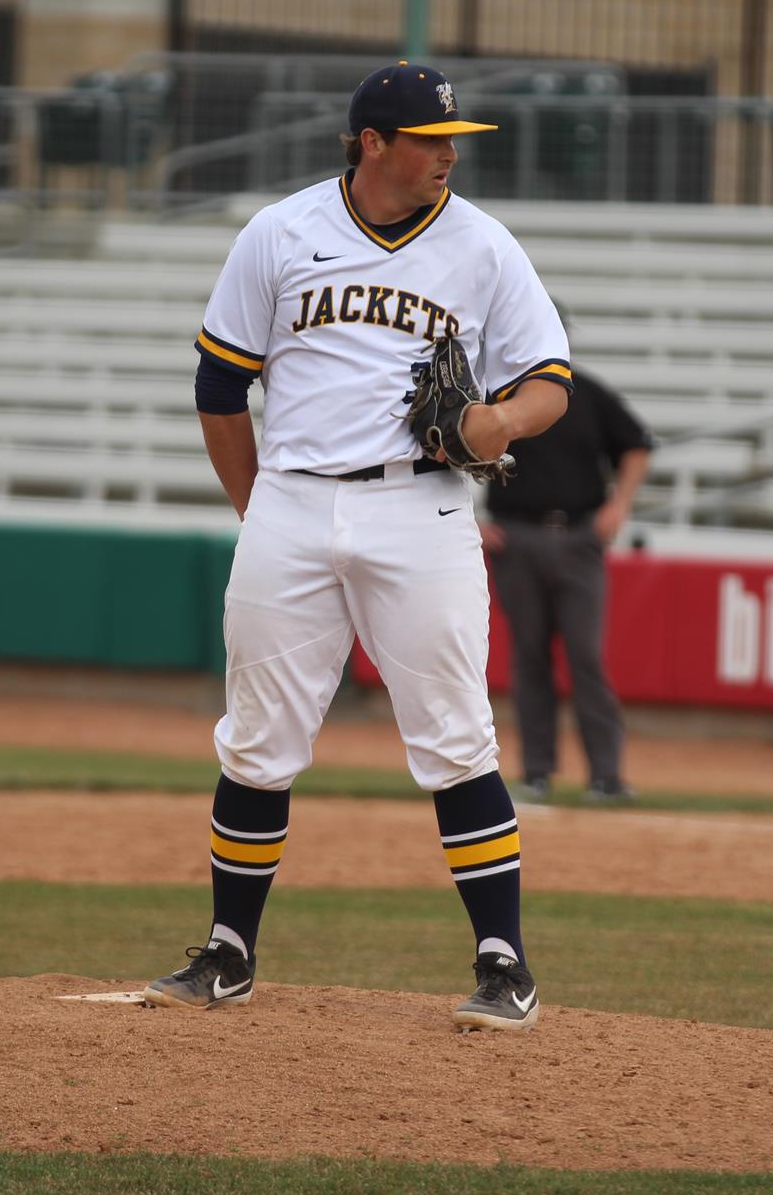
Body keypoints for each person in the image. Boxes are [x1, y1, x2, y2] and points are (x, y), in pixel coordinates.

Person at [142, 61, 572, 1032]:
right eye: (431, 140)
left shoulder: (481, 244)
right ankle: (229, 950)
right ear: (372, 142)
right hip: (290, 503)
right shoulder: (280, 231)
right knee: (257, 738)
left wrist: (500, 420)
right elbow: (218, 386)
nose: (448, 155)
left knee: (455, 736)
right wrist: (260, 508)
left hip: (419, 508)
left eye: (454, 140)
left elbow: (550, 378)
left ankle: (503, 963)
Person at [482, 369, 652, 803]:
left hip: (579, 536)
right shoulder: (495, 392)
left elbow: (636, 445)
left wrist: (619, 506)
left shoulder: (587, 394)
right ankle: (536, 773)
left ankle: (606, 776)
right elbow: (447, 449)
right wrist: (471, 518)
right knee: (530, 656)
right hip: (516, 537)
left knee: (585, 656)